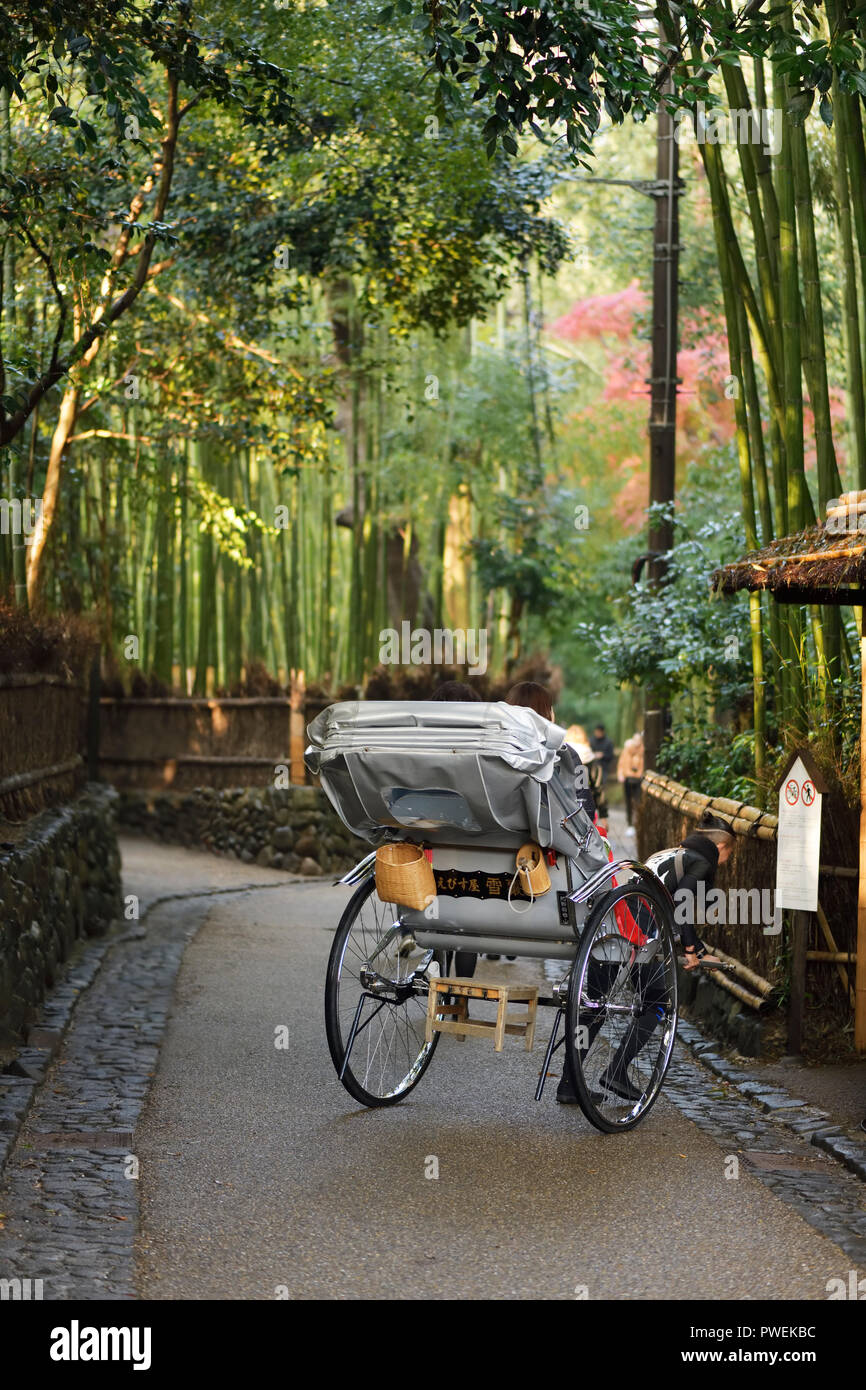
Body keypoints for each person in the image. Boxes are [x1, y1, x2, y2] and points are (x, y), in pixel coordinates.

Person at [557, 811, 736, 1106]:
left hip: (609, 926)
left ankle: (568, 1084)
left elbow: (667, 902)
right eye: (730, 853)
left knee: (593, 1007)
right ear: (720, 848)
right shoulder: (703, 861)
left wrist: (698, 948)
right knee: (656, 1004)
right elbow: (680, 904)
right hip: (637, 939)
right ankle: (616, 1071)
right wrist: (690, 950)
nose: (727, 860)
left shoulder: (669, 854)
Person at [617, 731, 644, 833]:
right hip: (628, 779)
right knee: (628, 802)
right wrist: (620, 774)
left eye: (639, 740)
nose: (637, 742)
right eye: (635, 739)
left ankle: (638, 823)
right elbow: (621, 763)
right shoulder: (627, 750)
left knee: (638, 802)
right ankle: (630, 824)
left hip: (638, 780)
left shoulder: (643, 751)